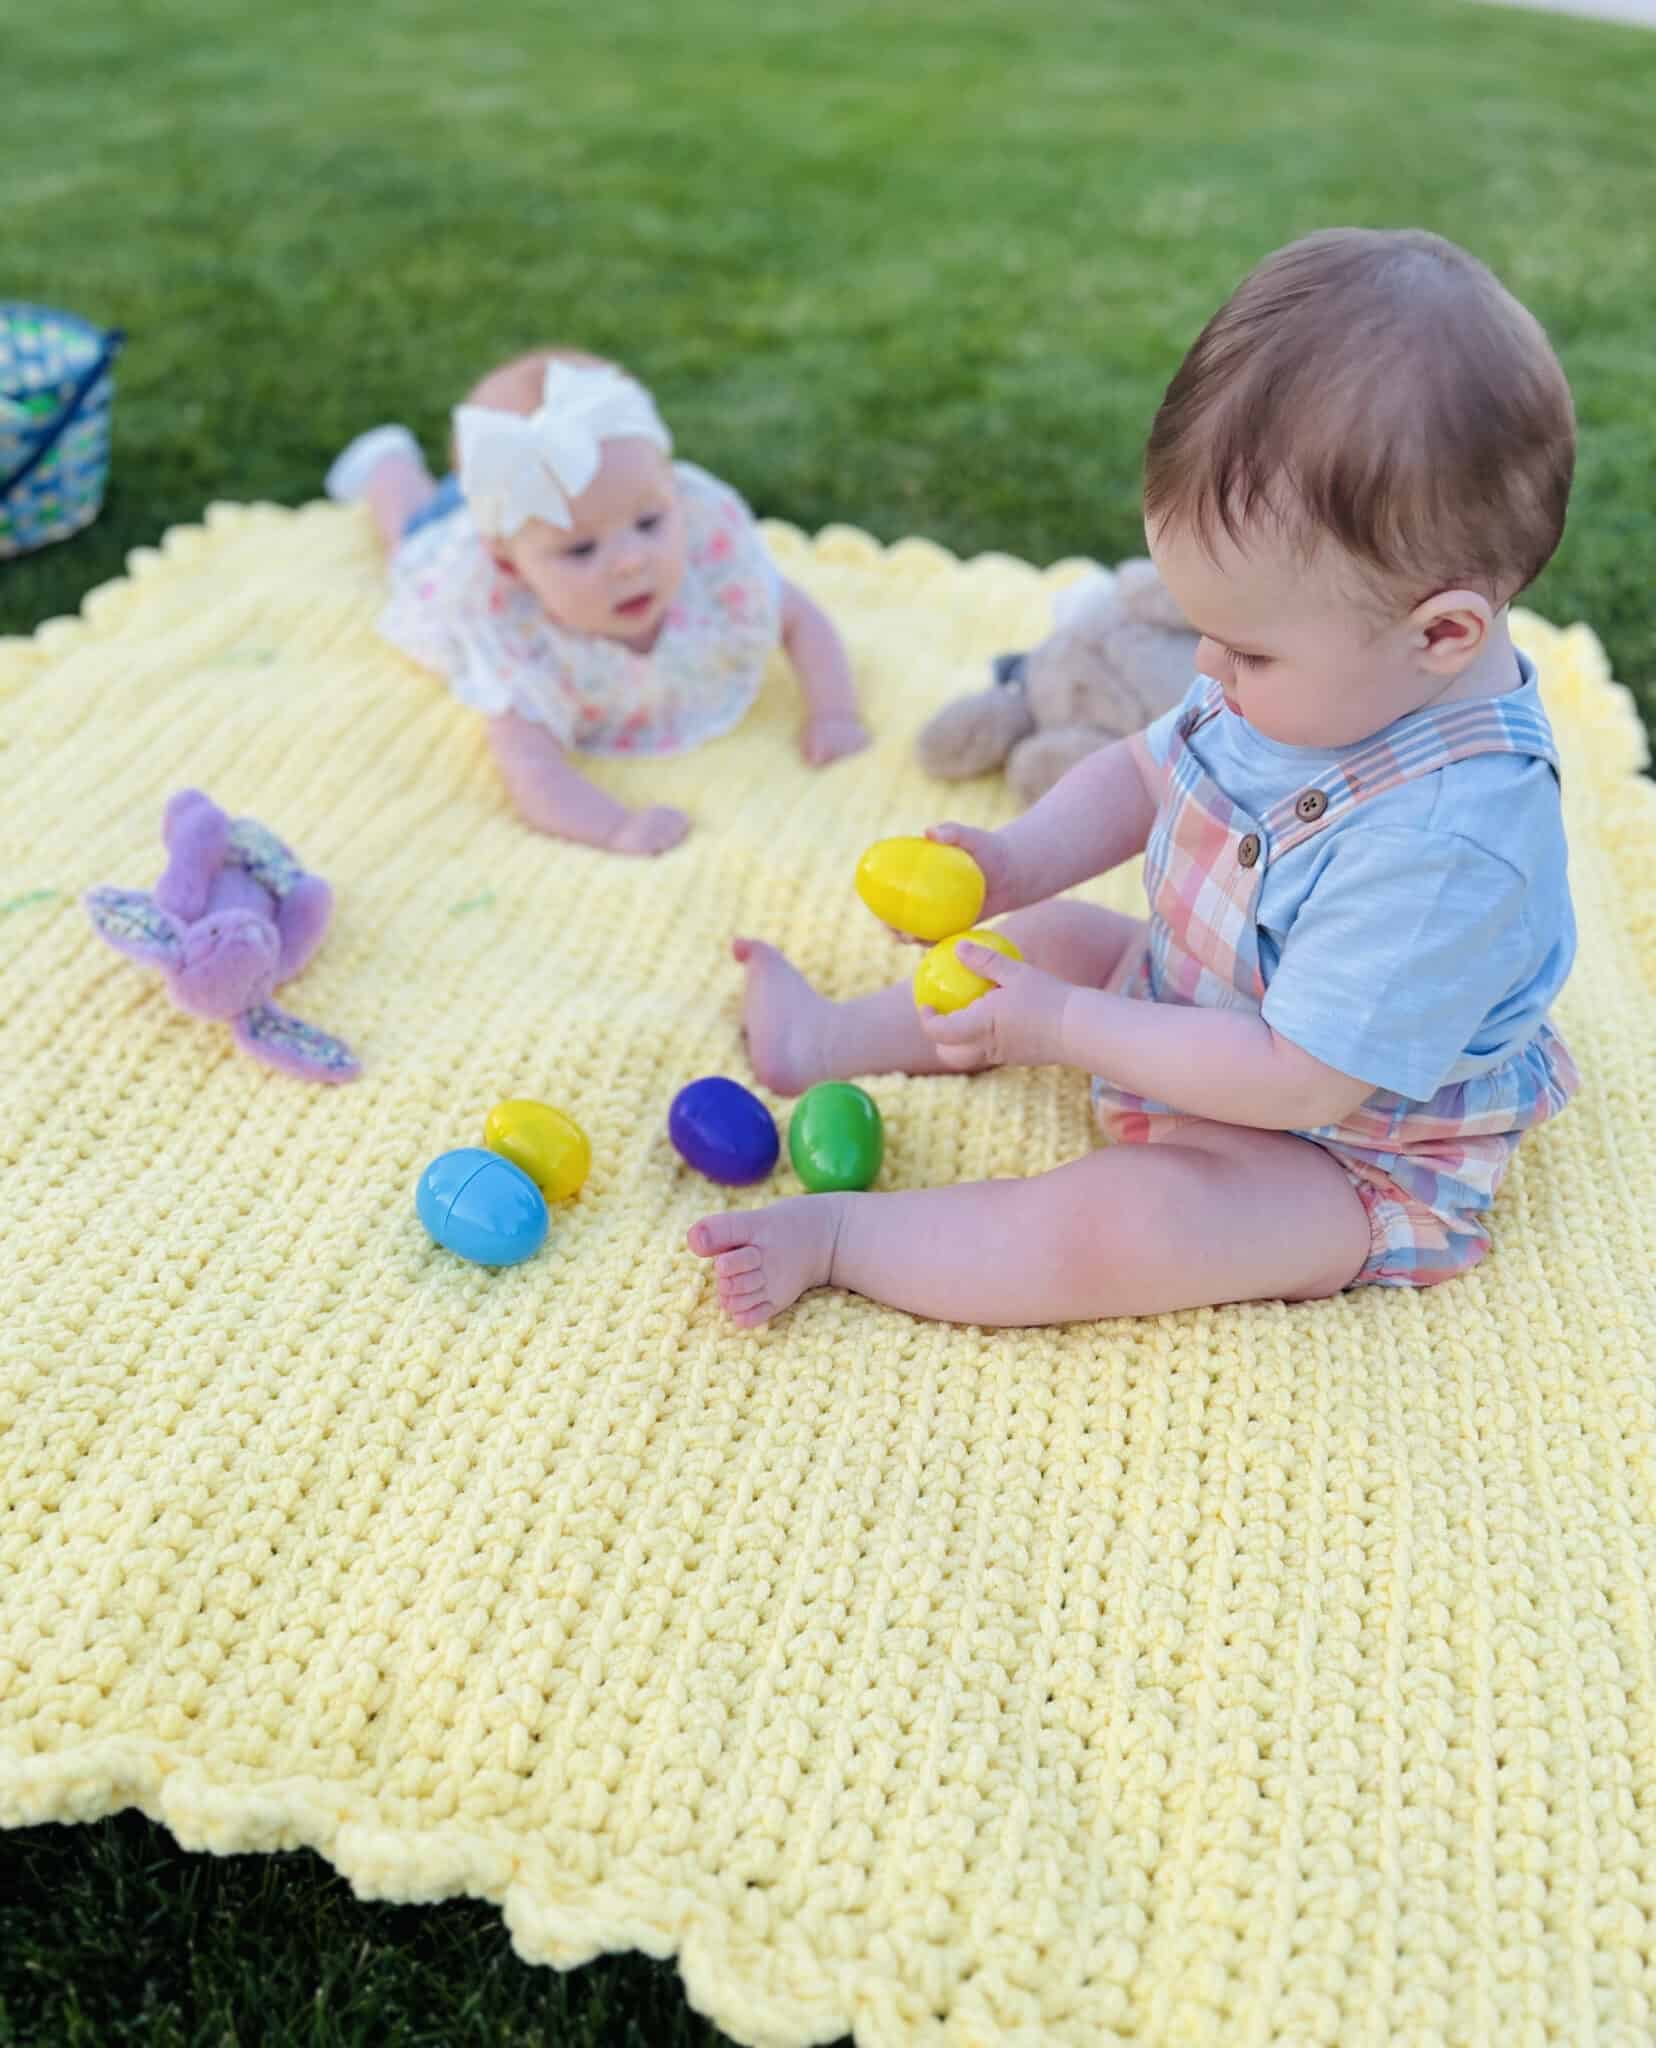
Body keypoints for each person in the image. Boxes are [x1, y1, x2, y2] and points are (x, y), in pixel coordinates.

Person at [690, 228, 1579, 1326]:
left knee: (1128, 1230)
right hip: (1190, 1005)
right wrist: (1014, 862)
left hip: (1336, 1146)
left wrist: (1062, 1027)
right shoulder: (1331, 668)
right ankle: (820, 1041)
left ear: (1441, 633)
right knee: (1039, 943)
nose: (1208, 669)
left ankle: (843, 1237)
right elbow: (1144, 768)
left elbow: (1297, 1077)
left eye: (1245, 650)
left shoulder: (1446, 842)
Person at [326, 349, 868, 856]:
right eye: (582, 550)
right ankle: (386, 463)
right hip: (456, 526)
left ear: (670, 490)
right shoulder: (517, 637)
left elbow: (801, 622)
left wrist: (834, 712)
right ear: (513, 567)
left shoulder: (710, 567)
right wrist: (617, 827)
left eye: (649, 522)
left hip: (518, 511)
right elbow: (530, 769)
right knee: (409, 532)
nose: (631, 561)